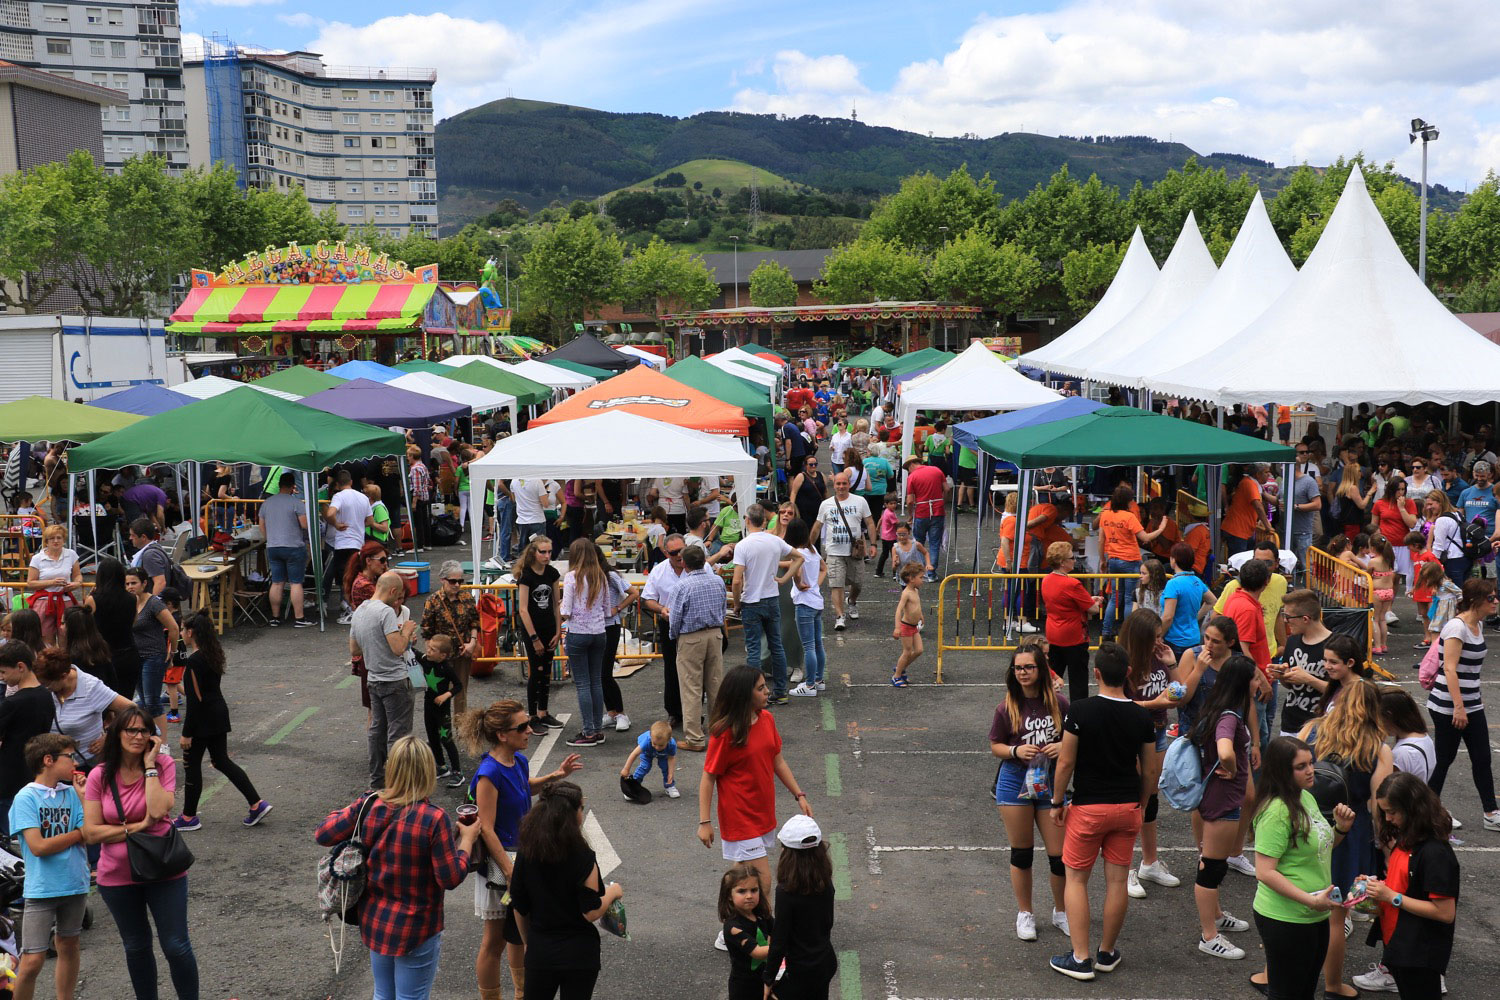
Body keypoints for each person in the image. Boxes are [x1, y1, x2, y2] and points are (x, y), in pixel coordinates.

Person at [315, 736, 479, 1000]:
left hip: (376, 921)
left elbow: (323, 834)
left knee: (383, 994)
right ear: (428, 771)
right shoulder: (433, 818)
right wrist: (468, 841)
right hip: (417, 927)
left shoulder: (369, 803)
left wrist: (352, 809)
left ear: (391, 769)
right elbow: (450, 877)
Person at [457, 700, 582, 1000]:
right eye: (522, 727)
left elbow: (524, 788)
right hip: (500, 867)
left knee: (518, 935)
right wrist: (511, 871)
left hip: (521, 861)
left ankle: (522, 994)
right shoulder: (489, 772)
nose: (529, 731)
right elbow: (486, 828)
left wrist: (555, 776)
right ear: (502, 735)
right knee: (495, 941)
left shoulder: (518, 761)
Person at [1047, 643, 1154, 982]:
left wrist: (1056, 801)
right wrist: (1140, 801)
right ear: (1127, 674)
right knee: (1117, 881)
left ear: (1096, 674)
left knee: (1076, 879)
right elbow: (1150, 772)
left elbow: (1066, 761)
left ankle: (1080, 957)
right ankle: (1107, 951)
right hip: (1127, 807)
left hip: (1089, 807)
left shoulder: (1080, 710)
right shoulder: (1141, 715)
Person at [83, 708, 199, 999]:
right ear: (117, 734)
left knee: (176, 945)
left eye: (144, 731)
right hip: (117, 876)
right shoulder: (100, 774)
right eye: (130, 730)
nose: (138, 736)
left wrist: (149, 766)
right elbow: (92, 832)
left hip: (164, 868)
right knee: (136, 946)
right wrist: (138, 826)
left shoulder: (162, 765)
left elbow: (159, 810)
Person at [698, 665, 814, 951]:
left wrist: (798, 794)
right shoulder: (724, 733)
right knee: (761, 878)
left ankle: (731, 930)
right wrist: (704, 822)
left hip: (763, 814)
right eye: (761, 688)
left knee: (741, 876)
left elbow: (777, 760)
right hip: (739, 817)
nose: (767, 692)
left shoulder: (767, 719)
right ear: (743, 694)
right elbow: (708, 776)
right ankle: (768, 929)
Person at [1297, 680, 1393, 1000]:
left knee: (1297, 901)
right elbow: (1381, 803)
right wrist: (1386, 847)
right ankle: (1333, 985)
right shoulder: (1376, 747)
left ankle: (1286, 974)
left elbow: (1288, 776)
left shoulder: (1311, 730)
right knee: (1336, 916)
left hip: (1306, 824)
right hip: (1349, 831)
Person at [1251, 737, 1354, 1000]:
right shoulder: (1276, 812)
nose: (1311, 770)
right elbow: (1264, 871)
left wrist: (1340, 828)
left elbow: (1320, 847)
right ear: (1283, 771)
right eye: (1301, 766)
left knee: (1305, 990)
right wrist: (1310, 900)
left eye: (1311, 763)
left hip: (1315, 914)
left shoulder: (1305, 797)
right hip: (1286, 918)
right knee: (1287, 993)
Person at [510, 780, 621, 1000]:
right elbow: (590, 911)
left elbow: (519, 905)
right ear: (571, 815)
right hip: (579, 954)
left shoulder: (527, 852)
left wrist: (527, 943)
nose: (583, 812)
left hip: (541, 951)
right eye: (581, 808)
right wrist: (614, 892)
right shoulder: (583, 857)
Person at [989, 642, 1069, 941]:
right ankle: (1025, 913)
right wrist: (1015, 749)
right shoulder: (1006, 706)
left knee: (1059, 856)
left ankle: (1061, 912)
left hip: (1050, 785)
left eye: (1029, 667)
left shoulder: (1059, 704)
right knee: (1021, 854)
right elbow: (995, 745)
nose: (1023, 673)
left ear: (1041, 670)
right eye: (1018, 668)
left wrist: (1062, 746)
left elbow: (1073, 739)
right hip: (1013, 784)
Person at [1359, 772, 1459, 1000]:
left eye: (1392, 812)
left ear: (1413, 808)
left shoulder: (1435, 853)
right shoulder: (1407, 840)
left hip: (1419, 953)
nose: (1387, 819)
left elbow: (1444, 912)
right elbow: (1403, 885)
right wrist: (1375, 887)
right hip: (1400, 945)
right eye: (1384, 812)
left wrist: (1391, 895)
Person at [171, 613, 270, 832]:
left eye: (182, 629)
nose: (180, 633)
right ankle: (256, 803)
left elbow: (195, 702)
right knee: (221, 760)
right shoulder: (211, 653)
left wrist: (186, 733)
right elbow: (195, 688)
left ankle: (188, 817)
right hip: (218, 713)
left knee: (192, 766)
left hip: (202, 719)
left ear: (191, 632)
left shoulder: (195, 661)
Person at [9, 732, 89, 1000]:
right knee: (32, 959)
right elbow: (38, 847)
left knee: (69, 944)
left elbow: (90, 832)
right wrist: (77, 834)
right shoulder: (26, 798)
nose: (75, 763)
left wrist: (84, 796)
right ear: (48, 760)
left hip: (75, 883)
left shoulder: (73, 793)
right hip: (41, 889)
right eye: (69, 757)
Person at [1190, 654, 1257, 960]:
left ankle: (1216, 916)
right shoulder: (1229, 716)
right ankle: (1209, 935)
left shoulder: (1217, 707)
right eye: (1255, 678)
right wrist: (1229, 767)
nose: (1259, 683)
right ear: (1244, 683)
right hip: (1222, 800)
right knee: (1212, 868)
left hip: (1217, 798)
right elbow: (1225, 750)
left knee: (1211, 862)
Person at [1426, 577, 1500, 831]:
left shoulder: (1477, 625)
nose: (1495, 601)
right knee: (1444, 759)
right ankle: (1428, 811)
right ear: (1475, 600)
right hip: (1449, 705)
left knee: (1482, 758)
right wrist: (1458, 707)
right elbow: (1449, 668)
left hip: (1471, 703)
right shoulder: (1457, 628)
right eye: (1490, 597)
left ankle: (1491, 812)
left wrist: (1468, 705)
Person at [1119, 609, 1181, 900]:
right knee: (1133, 801)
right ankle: (1127, 868)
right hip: (1131, 736)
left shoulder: (1161, 656)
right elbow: (1119, 705)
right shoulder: (1123, 663)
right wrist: (1154, 702)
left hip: (1157, 733)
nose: (1161, 641)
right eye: (1155, 636)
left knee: (1151, 799)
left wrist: (1173, 664)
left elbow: (1180, 693)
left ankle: (1149, 862)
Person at [351, 572, 420, 789]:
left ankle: (377, 783)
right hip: (395, 680)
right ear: (392, 591)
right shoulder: (385, 612)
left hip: (373, 679)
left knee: (377, 731)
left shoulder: (360, 610)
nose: (399, 601)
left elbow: (354, 649)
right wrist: (407, 632)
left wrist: (376, 644)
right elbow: (398, 648)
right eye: (398, 596)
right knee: (399, 736)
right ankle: (400, 786)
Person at [763, 814, 837, 999]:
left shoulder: (786, 892)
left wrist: (768, 978)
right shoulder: (825, 882)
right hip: (825, 962)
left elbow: (780, 940)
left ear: (788, 855)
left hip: (801, 971)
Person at [730, 506, 794, 704]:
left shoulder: (743, 545)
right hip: (771, 598)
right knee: (777, 645)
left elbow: (737, 581)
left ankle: (754, 695)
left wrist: (737, 603)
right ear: (764, 521)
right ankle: (781, 691)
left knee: (754, 649)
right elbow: (799, 557)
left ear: (747, 519)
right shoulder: (775, 541)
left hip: (751, 601)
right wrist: (784, 580)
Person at [667, 545, 726, 751]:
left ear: (684, 562)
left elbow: (674, 618)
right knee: (715, 684)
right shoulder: (717, 580)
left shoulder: (682, 586)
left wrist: (674, 637)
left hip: (691, 637)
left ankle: (695, 738)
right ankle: (720, 732)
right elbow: (722, 607)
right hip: (714, 633)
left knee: (691, 688)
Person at [560, 539, 613, 748]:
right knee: (596, 682)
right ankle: (597, 729)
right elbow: (608, 609)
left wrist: (560, 606)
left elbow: (566, 611)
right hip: (599, 632)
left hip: (578, 633)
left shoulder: (572, 577)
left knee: (582, 683)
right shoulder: (601, 575)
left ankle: (588, 731)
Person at [0, 641, 55, 842]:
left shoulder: (13, 703)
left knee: (12, 834)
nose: (2, 678)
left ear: (21, 667)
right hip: (36, 770)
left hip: (10, 773)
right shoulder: (46, 696)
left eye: (4, 672)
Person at [1098, 484, 1166, 639]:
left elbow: (1101, 540)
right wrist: (1161, 528)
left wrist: (1103, 559)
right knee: (1129, 598)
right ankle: (1127, 632)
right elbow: (1146, 538)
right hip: (1130, 560)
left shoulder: (1106, 515)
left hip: (1113, 559)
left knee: (1115, 597)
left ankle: (1106, 631)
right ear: (1128, 501)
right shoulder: (1129, 517)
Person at [812, 472, 876, 631]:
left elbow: (870, 522)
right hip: (834, 552)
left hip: (855, 551)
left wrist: (873, 544)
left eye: (844, 483)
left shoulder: (860, 501)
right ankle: (840, 616)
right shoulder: (825, 504)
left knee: (858, 583)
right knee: (836, 584)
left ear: (849, 484)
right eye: (838, 484)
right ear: (834, 485)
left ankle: (852, 601)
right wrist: (809, 546)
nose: (841, 487)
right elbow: (817, 526)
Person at [514, 536, 565, 735]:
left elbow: (556, 603)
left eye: (549, 552)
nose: (546, 556)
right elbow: (523, 609)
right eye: (542, 552)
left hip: (549, 627)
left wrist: (558, 630)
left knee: (547, 671)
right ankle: (532, 715)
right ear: (533, 553)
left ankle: (543, 712)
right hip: (532, 629)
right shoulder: (526, 576)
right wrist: (534, 638)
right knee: (536, 670)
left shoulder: (552, 573)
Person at [1040, 541, 1101, 703]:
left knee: (1052, 676)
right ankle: (1078, 714)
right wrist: (1095, 602)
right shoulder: (1072, 583)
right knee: (1078, 681)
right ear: (1062, 562)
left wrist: (1088, 601)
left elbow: (1065, 602)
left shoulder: (1046, 580)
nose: (1074, 560)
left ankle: (1046, 707)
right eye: (1071, 557)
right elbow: (1093, 609)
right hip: (1073, 636)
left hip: (1053, 634)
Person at [420, 559, 480, 718]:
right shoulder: (433, 601)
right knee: (440, 691)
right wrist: (432, 652)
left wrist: (472, 643)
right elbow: (426, 629)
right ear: (443, 580)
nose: (457, 585)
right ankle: (441, 727)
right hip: (441, 657)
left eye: (460, 581)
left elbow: (474, 621)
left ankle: (461, 728)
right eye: (453, 581)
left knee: (460, 692)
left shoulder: (467, 597)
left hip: (462, 653)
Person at [125, 566, 178, 743]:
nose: (130, 587)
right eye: (127, 584)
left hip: (154, 656)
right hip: (135, 657)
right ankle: (150, 739)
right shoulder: (129, 603)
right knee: (144, 702)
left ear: (144, 583)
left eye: (134, 583)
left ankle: (163, 743)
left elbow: (173, 627)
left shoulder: (153, 603)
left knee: (152, 701)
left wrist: (173, 652)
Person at [642, 534, 689, 725]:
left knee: (696, 670)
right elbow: (648, 599)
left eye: (682, 551)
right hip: (669, 622)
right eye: (674, 553)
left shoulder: (698, 565)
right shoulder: (659, 571)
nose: (679, 556)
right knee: (672, 668)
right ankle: (674, 712)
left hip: (695, 624)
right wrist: (662, 608)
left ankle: (693, 711)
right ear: (665, 552)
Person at [1275, 589, 1333, 739]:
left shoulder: (1336, 646)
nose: (1285, 621)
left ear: (1305, 619)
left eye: (1288, 617)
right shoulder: (1293, 641)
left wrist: (1307, 678)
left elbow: (1347, 690)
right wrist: (1282, 675)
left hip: (1321, 727)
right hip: (1290, 723)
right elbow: (1290, 685)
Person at [259, 471, 313, 627]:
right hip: (293, 546)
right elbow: (304, 525)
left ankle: (275, 617)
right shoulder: (296, 503)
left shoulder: (267, 503)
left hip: (273, 546)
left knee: (277, 583)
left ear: (278, 485)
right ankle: (299, 618)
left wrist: (269, 538)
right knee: (296, 583)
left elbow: (261, 525)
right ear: (293, 486)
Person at [781, 520, 827, 699]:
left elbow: (796, 571)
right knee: (817, 644)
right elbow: (824, 568)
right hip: (816, 602)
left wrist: (799, 585)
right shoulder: (812, 551)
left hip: (804, 604)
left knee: (808, 646)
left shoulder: (796, 553)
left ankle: (809, 686)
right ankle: (818, 680)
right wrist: (815, 585)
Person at [86, 557, 139, 701]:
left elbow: (86, 624)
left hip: (102, 654)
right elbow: (133, 622)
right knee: (126, 700)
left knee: (103, 702)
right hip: (128, 652)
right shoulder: (133, 599)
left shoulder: (93, 599)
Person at [325, 469, 374, 624]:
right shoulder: (363, 497)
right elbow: (370, 521)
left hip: (343, 543)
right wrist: (358, 523)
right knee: (356, 578)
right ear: (351, 482)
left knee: (345, 580)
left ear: (338, 485)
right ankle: (355, 608)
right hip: (359, 543)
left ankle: (352, 610)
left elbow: (330, 513)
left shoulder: (338, 496)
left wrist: (336, 524)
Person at [719, 862, 774, 1000]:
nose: (749, 896)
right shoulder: (733, 927)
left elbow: (777, 932)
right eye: (742, 891)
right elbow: (757, 953)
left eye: (754, 890)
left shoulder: (761, 914)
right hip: (744, 988)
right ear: (729, 896)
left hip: (766, 979)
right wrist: (782, 945)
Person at [26, 525, 82, 641]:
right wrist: (52, 582)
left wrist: (77, 583)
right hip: (44, 602)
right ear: (46, 541)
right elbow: (30, 583)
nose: (56, 541)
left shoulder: (71, 554)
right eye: (52, 538)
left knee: (66, 638)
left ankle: (66, 659)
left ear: (63, 539)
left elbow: (77, 575)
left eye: (59, 538)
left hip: (65, 600)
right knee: (46, 640)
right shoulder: (37, 558)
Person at [1161, 542, 1212, 657]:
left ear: (1173, 560)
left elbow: (1168, 617)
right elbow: (1212, 600)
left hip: (1175, 640)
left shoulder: (1173, 583)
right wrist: (1195, 617)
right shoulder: (1197, 581)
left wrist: (1159, 636)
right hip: (1194, 637)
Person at [904, 454, 947, 581]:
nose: (908, 472)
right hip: (938, 510)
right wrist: (940, 500)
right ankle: (932, 573)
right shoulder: (936, 470)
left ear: (911, 465)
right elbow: (947, 488)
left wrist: (910, 515)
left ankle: (924, 571)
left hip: (921, 512)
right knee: (934, 543)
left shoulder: (912, 476)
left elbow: (910, 501)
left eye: (908, 469)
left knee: (918, 542)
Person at [58, 605, 114, 701]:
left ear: (72, 628)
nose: (60, 627)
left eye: (63, 623)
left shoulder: (74, 656)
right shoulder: (100, 647)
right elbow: (112, 680)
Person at [620, 719, 678, 800]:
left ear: (668, 740)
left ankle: (669, 786)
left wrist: (671, 773)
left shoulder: (671, 745)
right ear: (650, 737)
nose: (657, 747)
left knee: (666, 767)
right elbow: (634, 754)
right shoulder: (647, 741)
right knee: (645, 766)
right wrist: (626, 769)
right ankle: (633, 787)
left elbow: (671, 758)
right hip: (647, 751)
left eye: (661, 745)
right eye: (654, 743)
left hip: (663, 754)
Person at [1223, 465, 1272, 555]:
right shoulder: (1249, 483)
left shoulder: (1255, 484)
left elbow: (1269, 500)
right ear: (1258, 474)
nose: (1269, 474)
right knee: (1238, 564)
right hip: (1238, 531)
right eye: (1266, 472)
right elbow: (1258, 506)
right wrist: (1267, 526)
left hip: (1245, 531)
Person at [891, 563, 924, 687]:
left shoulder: (915, 590)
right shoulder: (906, 593)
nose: (922, 580)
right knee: (907, 652)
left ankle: (900, 667)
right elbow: (899, 610)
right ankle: (897, 676)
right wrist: (897, 627)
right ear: (911, 578)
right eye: (920, 577)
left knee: (919, 650)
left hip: (914, 627)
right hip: (906, 626)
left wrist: (921, 615)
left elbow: (916, 606)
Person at [407, 446, 432, 552]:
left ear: (412, 456)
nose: (407, 457)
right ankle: (427, 543)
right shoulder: (423, 466)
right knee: (425, 521)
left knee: (418, 522)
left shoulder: (415, 469)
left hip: (419, 498)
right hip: (425, 496)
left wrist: (414, 502)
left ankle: (419, 545)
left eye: (408, 455)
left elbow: (417, 487)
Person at [873, 494, 899, 578]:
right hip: (891, 538)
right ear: (886, 504)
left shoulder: (886, 511)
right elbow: (896, 524)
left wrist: (877, 529)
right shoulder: (891, 514)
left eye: (895, 503)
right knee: (894, 555)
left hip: (884, 537)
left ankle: (878, 571)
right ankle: (895, 574)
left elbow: (880, 520)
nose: (893, 505)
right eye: (891, 503)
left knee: (884, 554)